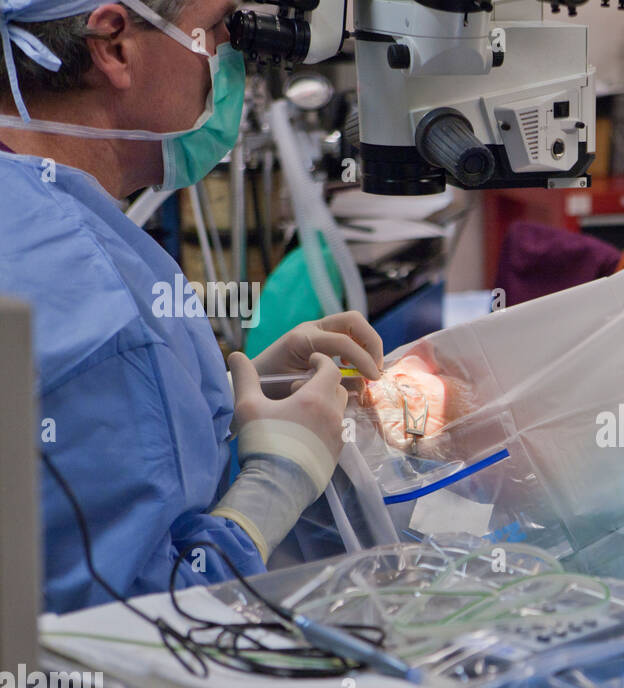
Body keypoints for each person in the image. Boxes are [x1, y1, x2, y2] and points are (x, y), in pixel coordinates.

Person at [0, 0, 384, 612]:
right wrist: (270, 490)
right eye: (220, 30)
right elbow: (139, 638)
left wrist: (223, 412)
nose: (232, 63)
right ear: (115, 44)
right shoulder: (108, 319)